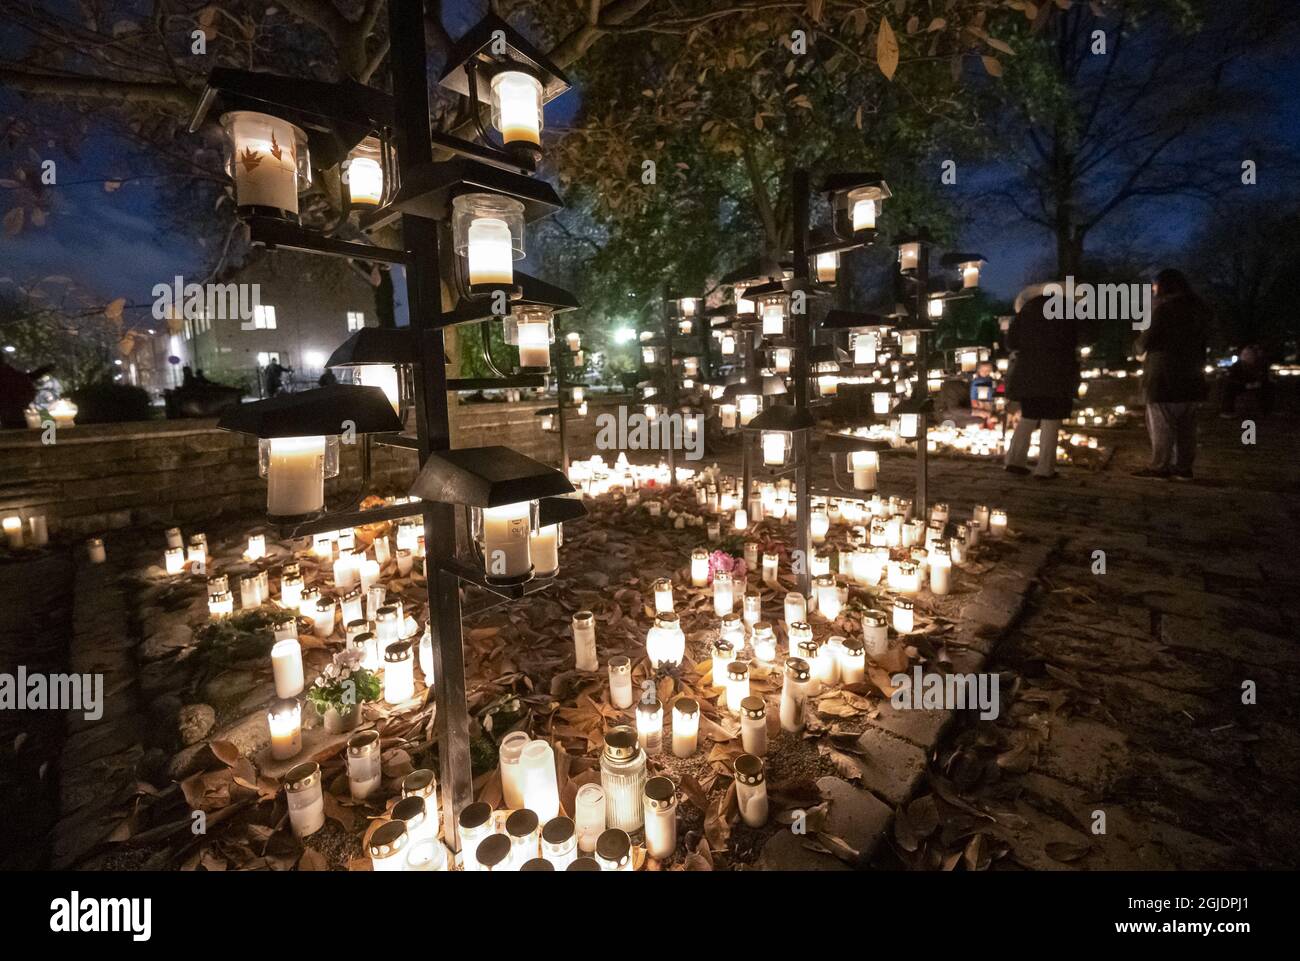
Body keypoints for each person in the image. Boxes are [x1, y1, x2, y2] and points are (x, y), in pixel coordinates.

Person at [1132, 269, 1209, 480]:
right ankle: (1184, 468)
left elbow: (1147, 339)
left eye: (1155, 286)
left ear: (1164, 286)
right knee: (1187, 427)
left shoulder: (1164, 309)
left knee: (1161, 424)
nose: (1154, 290)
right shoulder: (1199, 309)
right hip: (1192, 375)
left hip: (1164, 376)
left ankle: (1159, 466)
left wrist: (1138, 347)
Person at [1003, 282, 1079, 480]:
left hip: (1029, 373)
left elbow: (1011, 343)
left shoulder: (1025, 312)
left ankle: (1015, 461)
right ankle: (1045, 469)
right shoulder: (1068, 310)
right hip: (1058, 372)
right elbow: (1085, 336)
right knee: (1051, 419)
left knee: (1029, 416)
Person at [1219, 343, 1272, 418]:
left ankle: (1266, 410)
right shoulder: (1237, 366)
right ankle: (1227, 411)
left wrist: (1258, 382)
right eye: (1244, 354)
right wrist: (1245, 385)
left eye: (1249, 354)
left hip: (1255, 384)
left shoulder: (1259, 365)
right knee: (1228, 387)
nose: (1246, 356)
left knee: (1268, 387)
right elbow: (1231, 379)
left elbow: (1263, 377)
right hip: (1241, 385)